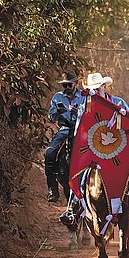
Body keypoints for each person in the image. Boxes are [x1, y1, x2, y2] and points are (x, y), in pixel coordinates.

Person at [82, 72, 129, 221]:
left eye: (98, 87)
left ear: (104, 87)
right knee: (80, 173)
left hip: (119, 149)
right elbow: (80, 129)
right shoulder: (86, 106)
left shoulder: (118, 102)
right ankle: (76, 206)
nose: (96, 91)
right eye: (93, 89)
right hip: (95, 151)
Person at [46, 72, 85, 202]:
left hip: (81, 130)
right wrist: (57, 112)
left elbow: (90, 115)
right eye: (65, 85)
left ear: (76, 84)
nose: (67, 88)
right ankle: (52, 188)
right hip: (65, 129)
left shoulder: (84, 97)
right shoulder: (57, 97)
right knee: (50, 153)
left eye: (69, 85)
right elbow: (51, 118)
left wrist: (79, 113)